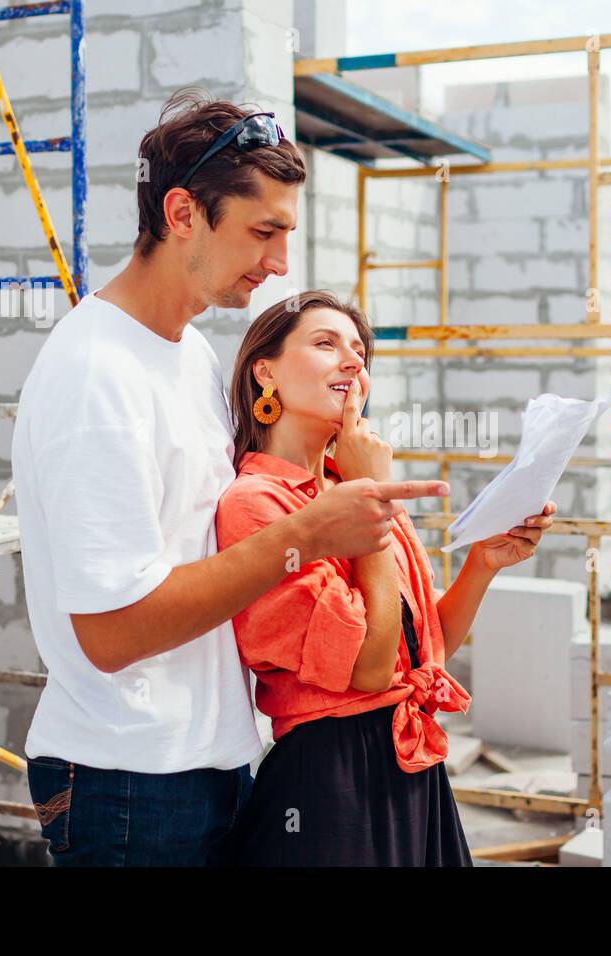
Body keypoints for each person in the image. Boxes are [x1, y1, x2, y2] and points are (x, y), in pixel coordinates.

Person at [11, 92, 447, 866]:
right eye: (263, 232)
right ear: (183, 213)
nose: (279, 262)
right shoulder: (94, 374)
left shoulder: (188, 356)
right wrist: (307, 535)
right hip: (128, 782)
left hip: (212, 762)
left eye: (286, 234)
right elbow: (112, 634)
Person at [212, 291, 556, 866]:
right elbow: (370, 670)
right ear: (263, 372)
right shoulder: (255, 504)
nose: (353, 361)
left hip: (412, 768)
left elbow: (420, 649)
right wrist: (366, 494)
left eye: (359, 352)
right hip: (330, 785)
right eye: (326, 344)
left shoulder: (354, 484)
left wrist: (483, 564)